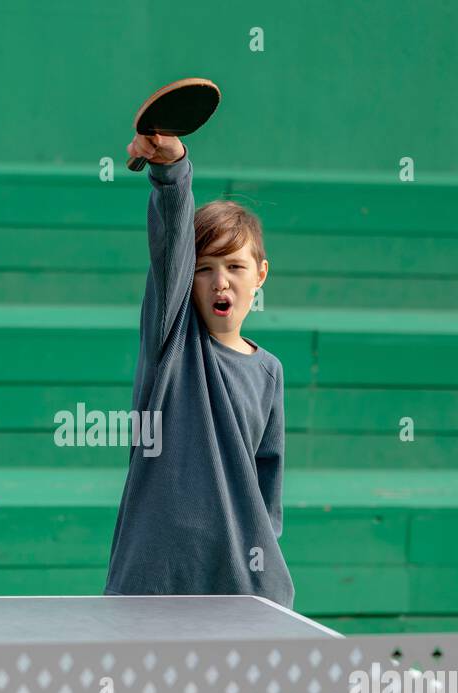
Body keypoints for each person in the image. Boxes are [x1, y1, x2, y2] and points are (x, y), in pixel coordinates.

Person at [103, 132, 294, 608]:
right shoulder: (172, 342)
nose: (220, 281)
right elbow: (171, 242)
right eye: (204, 268)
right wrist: (172, 173)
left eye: (234, 266)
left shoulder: (269, 372)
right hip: (153, 585)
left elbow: (266, 487)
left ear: (261, 275)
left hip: (239, 591)